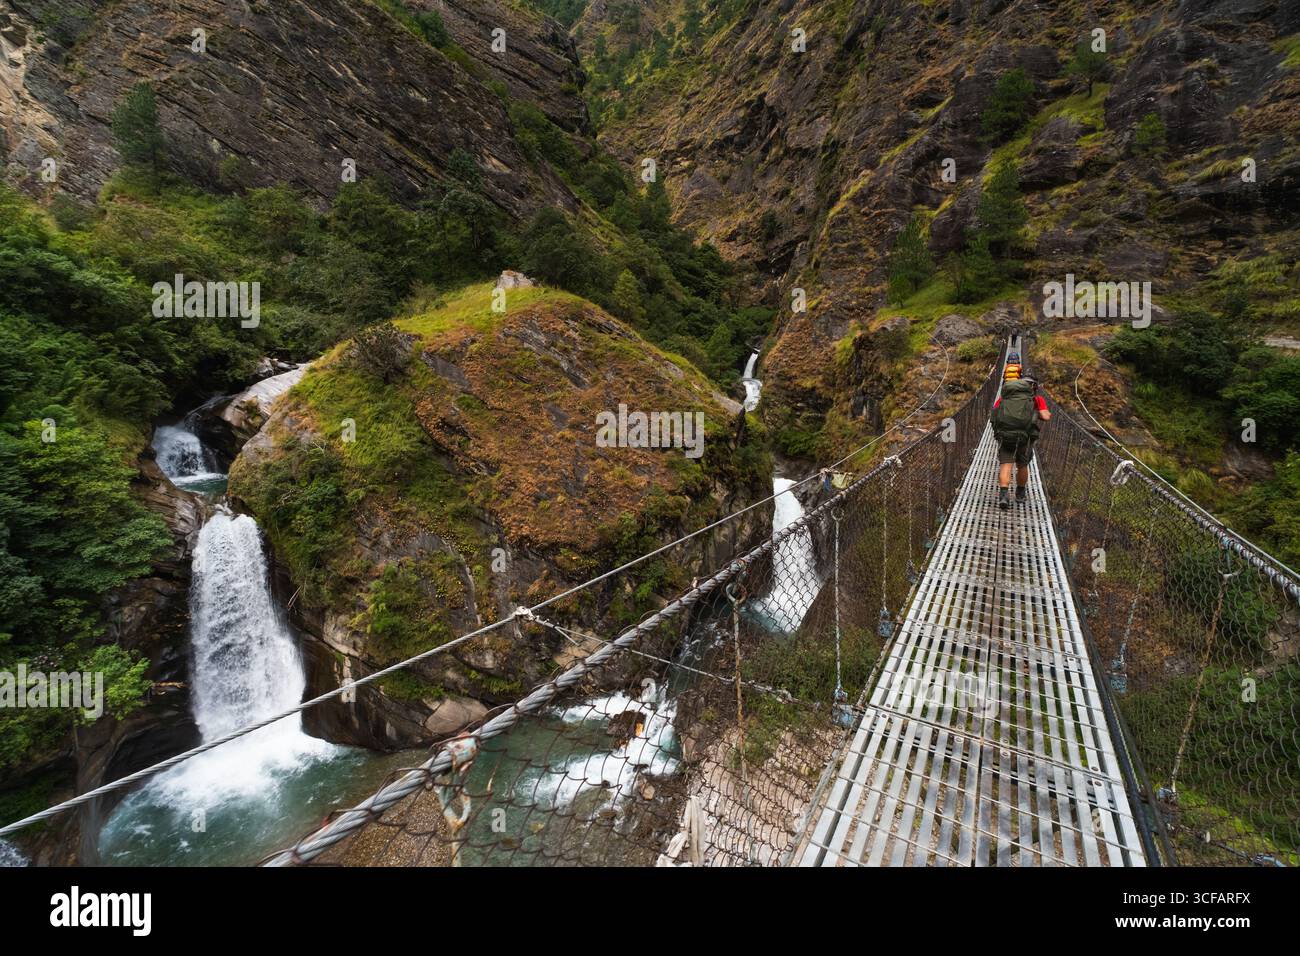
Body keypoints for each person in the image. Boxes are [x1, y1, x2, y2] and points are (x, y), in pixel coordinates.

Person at [991, 375, 1050, 509]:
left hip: (1005, 436)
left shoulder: (1005, 398)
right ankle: (1020, 494)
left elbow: (994, 413)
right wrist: (1036, 413)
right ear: (1034, 387)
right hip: (1026, 438)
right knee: (1022, 465)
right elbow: (1046, 417)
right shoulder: (1036, 399)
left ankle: (1004, 495)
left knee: (1006, 465)